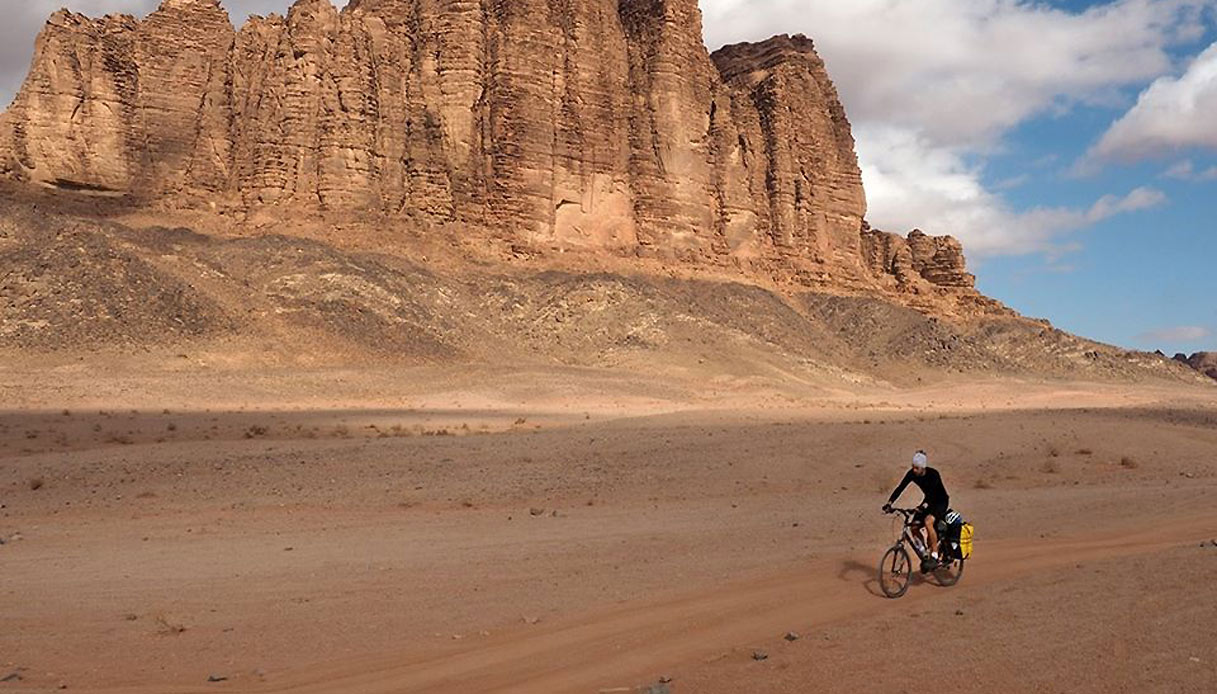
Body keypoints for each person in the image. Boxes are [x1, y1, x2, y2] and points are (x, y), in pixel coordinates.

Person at [883, 450, 950, 569]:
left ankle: (934, 555)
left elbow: (932, 494)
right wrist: (890, 503)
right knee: (913, 526)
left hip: (940, 502)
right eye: (913, 467)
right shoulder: (912, 474)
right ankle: (924, 552)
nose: (914, 470)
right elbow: (900, 487)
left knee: (928, 521)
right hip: (928, 502)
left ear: (923, 467)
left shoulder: (933, 474)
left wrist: (922, 506)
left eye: (916, 468)